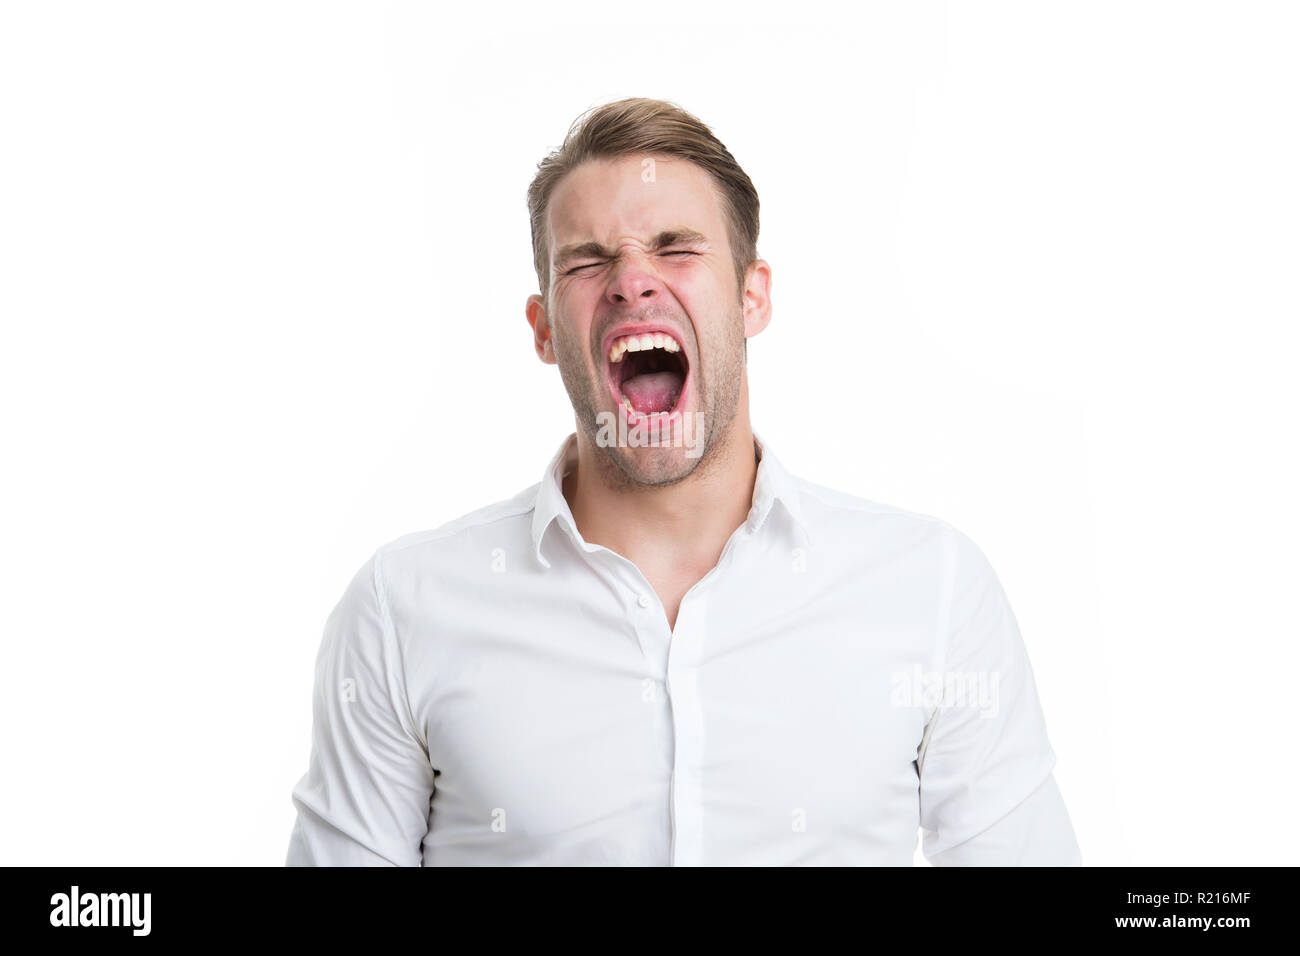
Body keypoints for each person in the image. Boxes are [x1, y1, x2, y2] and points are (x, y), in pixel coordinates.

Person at [285, 97, 1081, 866]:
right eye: (588, 260)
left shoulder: (930, 588)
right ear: (544, 330)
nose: (632, 281)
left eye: (675, 248)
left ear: (751, 297)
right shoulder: (401, 609)